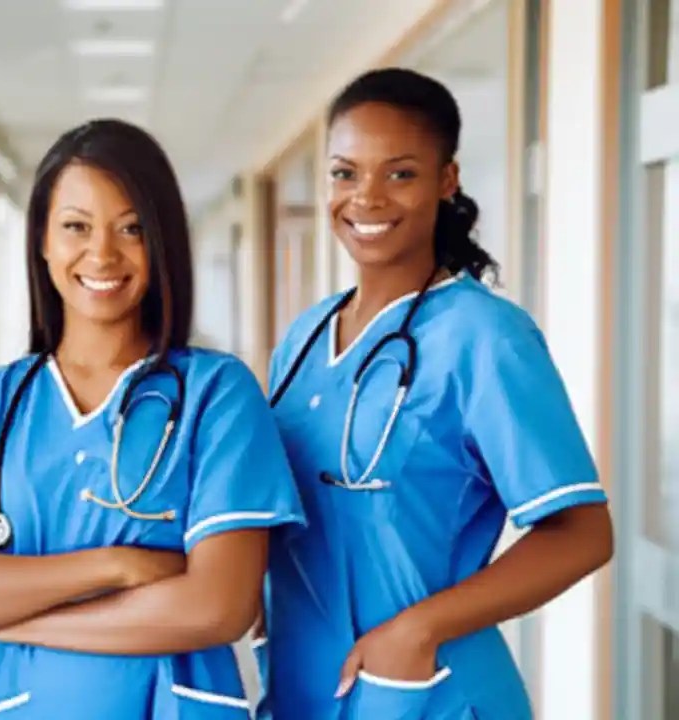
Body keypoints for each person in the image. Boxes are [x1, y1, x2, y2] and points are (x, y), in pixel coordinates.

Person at [0, 119, 304, 719]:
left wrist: (4, 609)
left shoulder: (216, 395)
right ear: (42, 239)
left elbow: (217, 607)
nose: (103, 253)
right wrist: (119, 565)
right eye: (76, 227)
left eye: (131, 228)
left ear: (161, 240)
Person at [259, 67, 614, 719]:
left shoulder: (484, 337)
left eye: (399, 173)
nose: (366, 198)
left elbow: (582, 533)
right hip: (307, 687)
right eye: (345, 172)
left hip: (431, 691)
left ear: (446, 182)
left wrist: (417, 630)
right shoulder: (305, 337)